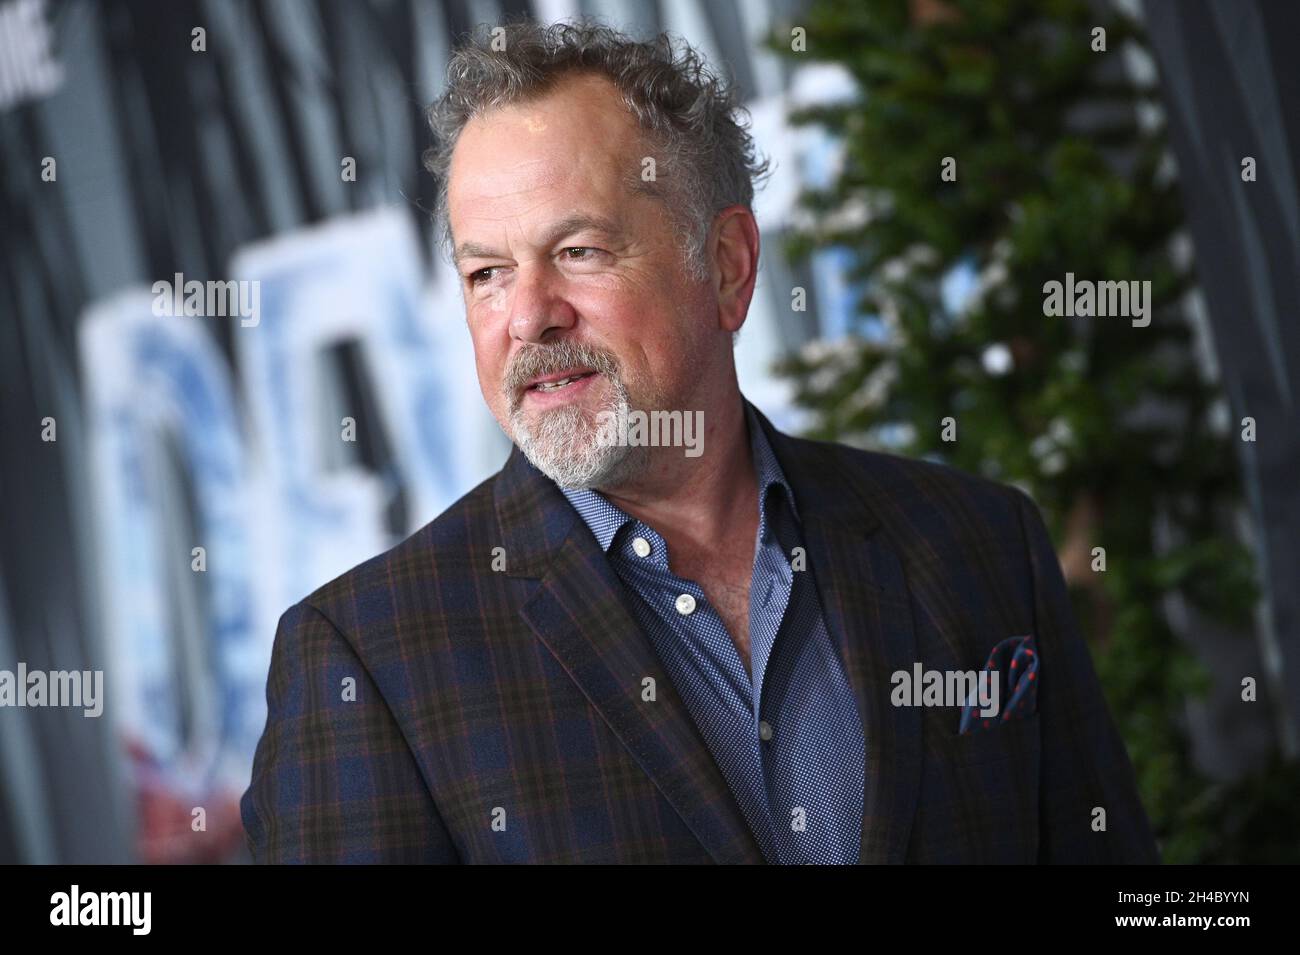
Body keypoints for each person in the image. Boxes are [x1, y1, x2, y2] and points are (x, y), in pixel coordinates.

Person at [240, 20, 1158, 864]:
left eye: (580, 252)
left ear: (726, 266)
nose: (527, 315)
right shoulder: (368, 660)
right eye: (487, 272)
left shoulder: (978, 546)